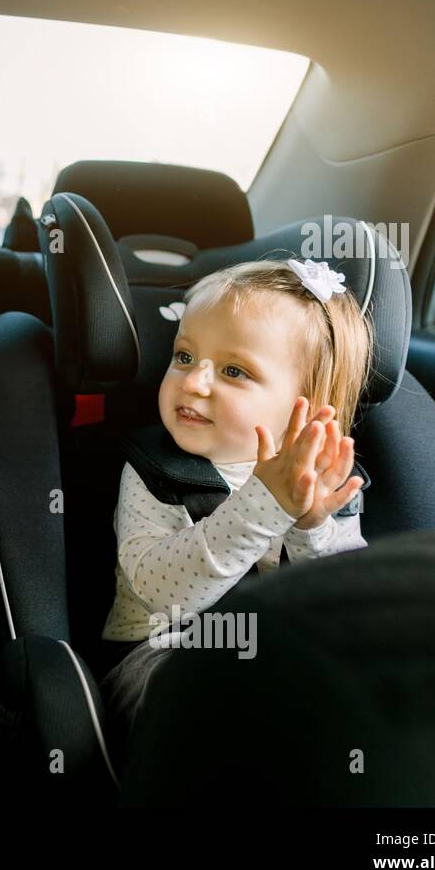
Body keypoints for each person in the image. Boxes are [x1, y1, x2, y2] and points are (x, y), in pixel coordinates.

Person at [97, 255, 375, 758]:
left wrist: (311, 525)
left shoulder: (326, 480)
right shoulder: (153, 470)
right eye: (183, 357)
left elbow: (347, 606)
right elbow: (160, 589)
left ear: (305, 406)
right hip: (158, 657)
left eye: (232, 370)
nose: (194, 382)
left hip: (278, 657)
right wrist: (263, 504)